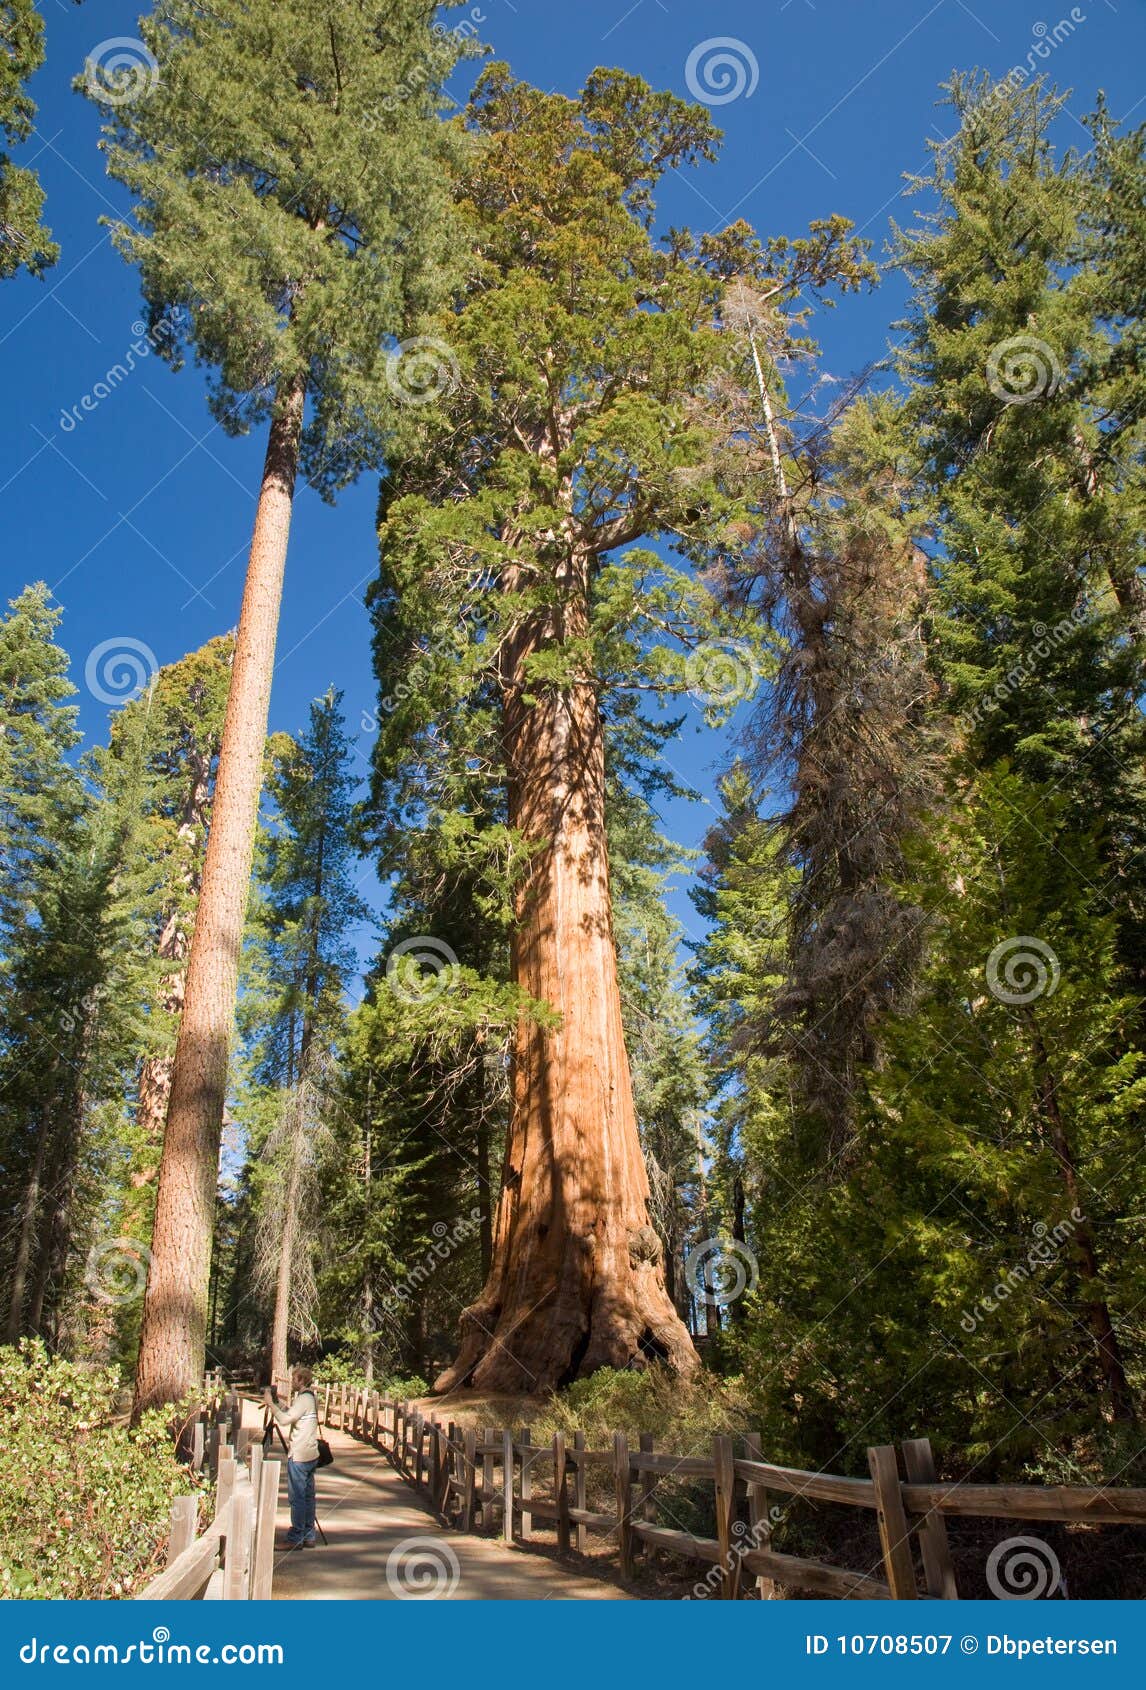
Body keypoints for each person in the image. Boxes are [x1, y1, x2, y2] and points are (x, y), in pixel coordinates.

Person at [264, 1366, 320, 1548]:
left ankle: (296, 1538)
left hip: (300, 1456)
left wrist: (270, 1404)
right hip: (310, 1454)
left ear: (301, 1380)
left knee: (297, 1498)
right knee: (308, 1497)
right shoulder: (310, 1398)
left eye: (294, 1379)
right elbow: (292, 1414)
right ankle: (309, 1535)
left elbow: (284, 1420)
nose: (292, 1382)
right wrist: (277, 1403)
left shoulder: (303, 1399)